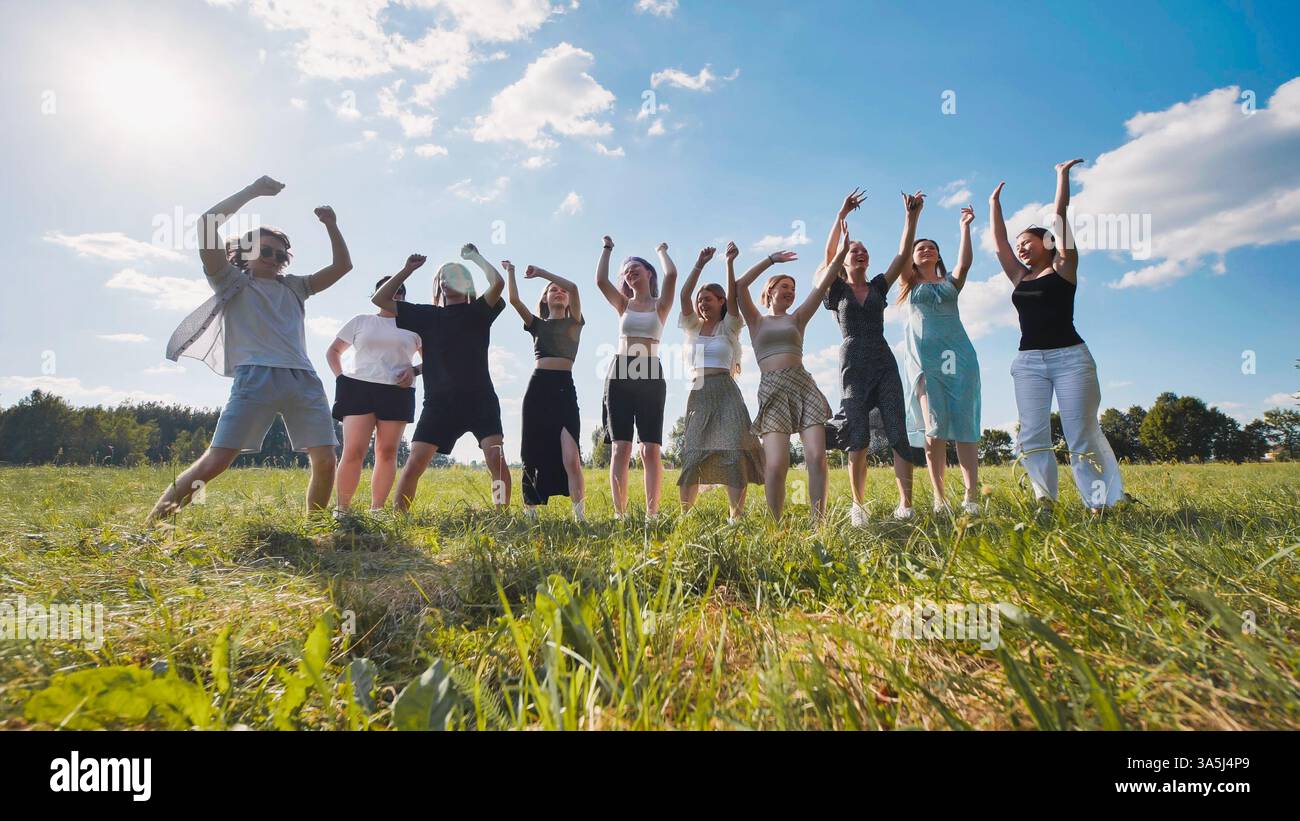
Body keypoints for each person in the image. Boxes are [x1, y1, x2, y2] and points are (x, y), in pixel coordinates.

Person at [149, 175, 351, 523]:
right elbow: (206, 224)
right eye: (264, 251)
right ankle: (154, 524)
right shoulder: (229, 280)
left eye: (280, 254)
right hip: (255, 378)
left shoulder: (296, 287)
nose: (273, 258)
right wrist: (252, 192)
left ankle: (314, 528)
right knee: (217, 460)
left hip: (303, 379)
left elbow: (342, 267)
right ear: (245, 252)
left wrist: (332, 225)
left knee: (326, 457)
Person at [989, 159, 1124, 514]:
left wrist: (1061, 178)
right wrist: (994, 206)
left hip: (1071, 360)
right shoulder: (1020, 278)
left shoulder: (1065, 266)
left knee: (1080, 434)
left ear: (1047, 243)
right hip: (1029, 362)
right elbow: (1000, 243)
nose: (1021, 248)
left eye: (1027, 242)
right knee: (1032, 435)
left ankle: (1099, 503)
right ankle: (1044, 501)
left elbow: (1060, 218)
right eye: (1019, 245)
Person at [372, 244, 509, 513]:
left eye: (454, 275)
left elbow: (498, 282)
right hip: (439, 404)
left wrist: (475, 257)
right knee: (415, 463)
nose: (447, 281)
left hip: (481, 400)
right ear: (437, 285)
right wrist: (407, 270)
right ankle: (400, 519)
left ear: (467, 283)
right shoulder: (426, 315)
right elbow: (380, 299)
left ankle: (501, 515)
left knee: (496, 458)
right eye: (442, 278)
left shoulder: (480, 311)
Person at [822, 190, 928, 523]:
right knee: (858, 436)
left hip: (883, 361)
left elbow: (901, 255)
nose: (861, 253)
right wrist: (841, 214)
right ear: (844, 258)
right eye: (855, 250)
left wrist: (912, 218)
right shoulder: (836, 290)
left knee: (897, 430)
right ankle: (859, 506)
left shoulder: (880, 286)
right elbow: (828, 257)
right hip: (853, 363)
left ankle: (906, 506)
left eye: (864, 251)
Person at [735, 231, 851, 520]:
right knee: (776, 464)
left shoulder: (798, 318)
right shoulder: (756, 320)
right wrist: (770, 260)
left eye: (793, 289)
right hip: (773, 391)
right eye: (784, 286)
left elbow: (824, 281)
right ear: (770, 291)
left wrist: (841, 252)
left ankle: (818, 520)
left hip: (803, 387)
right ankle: (775, 523)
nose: (790, 291)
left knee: (816, 457)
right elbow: (739, 286)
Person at [898, 205, 982, 515]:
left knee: (964, 425)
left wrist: (965, 227)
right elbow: (903, 251)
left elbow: (965, 262)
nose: (926, 250)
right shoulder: (908, 281)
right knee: (935, 428)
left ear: (938, 255)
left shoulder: (949, 282)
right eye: (921, 248)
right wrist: (913, 218)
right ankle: (939, 498)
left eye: (932, 247)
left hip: (959, 359)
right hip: (926, 363)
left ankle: (971, 498)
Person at [676, 243, 765, 522]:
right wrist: (699, 263)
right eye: (701, 300)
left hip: (726, 391)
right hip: (698, 393)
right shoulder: (692, 327)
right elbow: (683, 294)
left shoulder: (730, 327)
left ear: (721, 301)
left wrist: (729, 263)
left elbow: (735, 293)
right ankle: (685, 517)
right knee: (693, 455)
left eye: (709, 299)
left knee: (732, 455)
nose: (703, 303)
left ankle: (735, 518)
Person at [326, 267, 422, 512]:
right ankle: (342, 510)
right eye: (389, 289)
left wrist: (414, 371)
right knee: (354, 450)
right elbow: (333, 352)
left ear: (403, 296)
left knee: (387, 452)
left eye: (400, 290)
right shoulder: (361, 321)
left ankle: (377, 510)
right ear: (377, 293)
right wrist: (341, 379)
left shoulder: (415, 327)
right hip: (358, 389)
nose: (395, 294)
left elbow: (434, 360)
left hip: (397, 393)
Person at [595, 237, 677, 519]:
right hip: (621, 372)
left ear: (648, 273)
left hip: (651, 372)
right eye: (626, 272)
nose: (629, 274)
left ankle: (651, 515)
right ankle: (621, 514)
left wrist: (661, 251)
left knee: (650, 449)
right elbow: (600, 281)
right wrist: (607, 249)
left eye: (635, 269)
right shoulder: (623, 304)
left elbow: (672, 275)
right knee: (620, 447)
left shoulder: (660, 305)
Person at [505, 259, 586, 522]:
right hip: (538, 389)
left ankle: (580, 517)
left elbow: (573, 286)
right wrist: (511, 271)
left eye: (560, 290)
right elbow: (515, 300)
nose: (559, 291)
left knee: (571, 457)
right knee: (531, 452)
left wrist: (542, 273)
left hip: (564, 390)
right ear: (545, 299)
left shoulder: (575, 322)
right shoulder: (537, 324)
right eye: (553, 290)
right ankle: (530, 514)